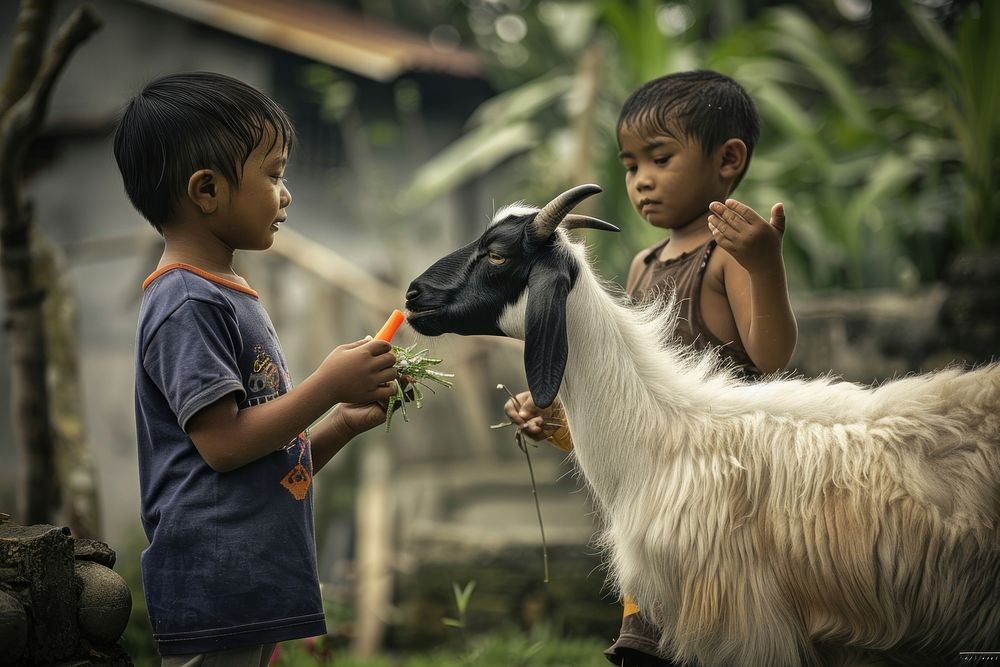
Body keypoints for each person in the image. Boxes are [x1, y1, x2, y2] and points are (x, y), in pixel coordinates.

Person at [504, 70, 797, 666]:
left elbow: (772, 359)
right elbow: (628, 398)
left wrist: (764, 264)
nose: (640, 181)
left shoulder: (729, 258)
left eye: (659, 159)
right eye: (631, 165)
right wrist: (559, 418)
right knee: (651, 648)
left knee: (724, 639)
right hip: (660, 494)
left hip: (729, 493)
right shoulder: (643, 265)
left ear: (728, 159)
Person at [114, 72, 399, 663]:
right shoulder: (187, 302)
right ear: (208, 190)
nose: (286, 193)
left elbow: (265, 463)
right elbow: (223, 445)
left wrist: (341, 421)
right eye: (273, 174)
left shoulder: (228, 294)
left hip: (247, 583)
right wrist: (325, 385)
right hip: (215, 583)